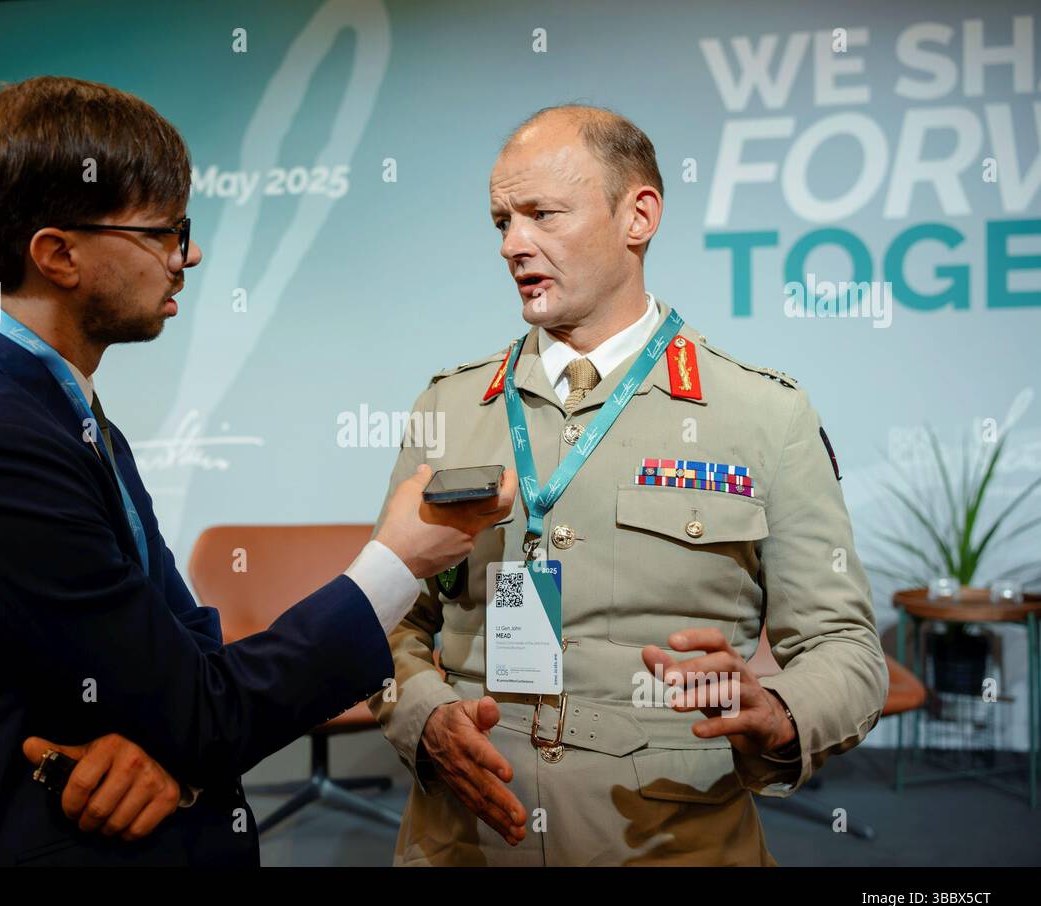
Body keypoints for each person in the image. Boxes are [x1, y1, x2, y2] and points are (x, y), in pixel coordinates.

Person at [0, 76, 515, 866]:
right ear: (58, 255)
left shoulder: (63, 413)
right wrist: (399, 561)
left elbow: (187, 665)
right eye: (164, 232)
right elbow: (203, 713)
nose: (186, 255)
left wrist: (171, 751)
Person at [367, 105, 888, 866]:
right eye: (501, 221)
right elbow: (387, 622)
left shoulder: (763, 415)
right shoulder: (448, 408)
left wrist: (777, 710)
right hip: (468, 839)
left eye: (543, 213)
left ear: (638, 215)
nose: (514, 244)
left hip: (668, 839)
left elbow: (844, 647)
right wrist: (424, 718)